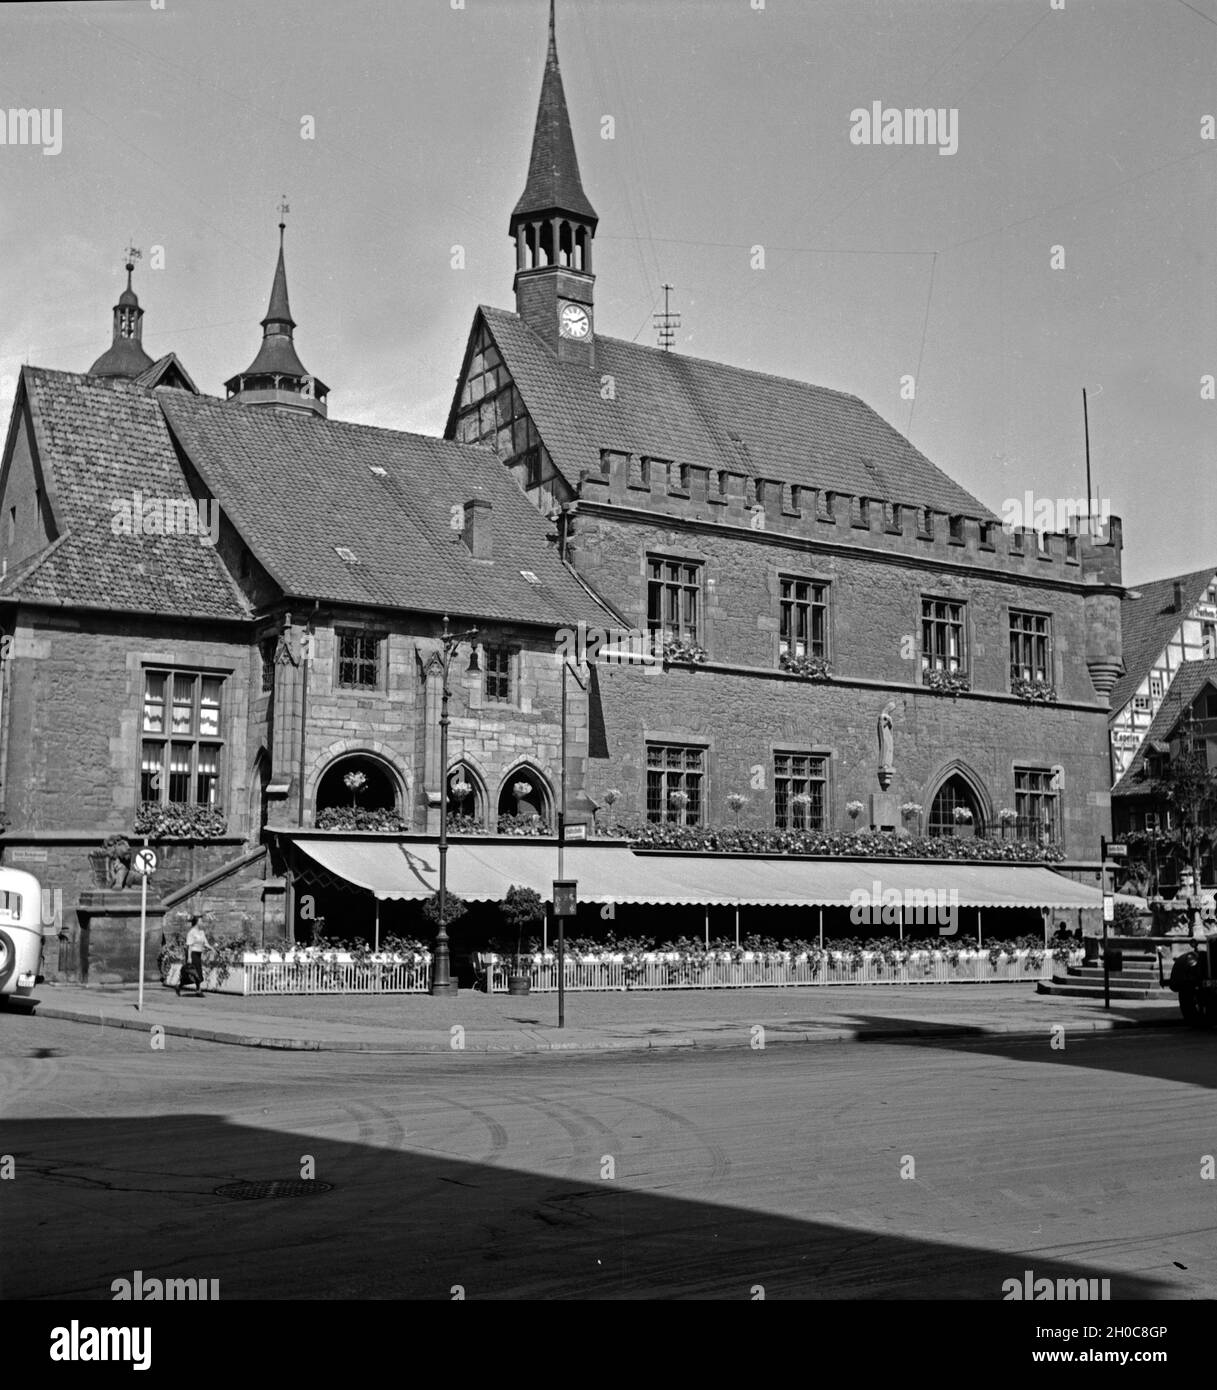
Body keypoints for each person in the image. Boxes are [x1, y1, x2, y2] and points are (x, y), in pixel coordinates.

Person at [178, 915, 211, 997]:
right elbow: (189, 946)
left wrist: (213, 949)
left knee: (198, 973)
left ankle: (180, 986)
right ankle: (198, 990)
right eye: (200, 921)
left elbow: (205, 943)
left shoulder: (201, 932)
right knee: (195, 973)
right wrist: (189, 957)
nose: (202, 923)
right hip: (193, 954)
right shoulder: (191, 932)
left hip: (199, 954)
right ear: (196, 922)